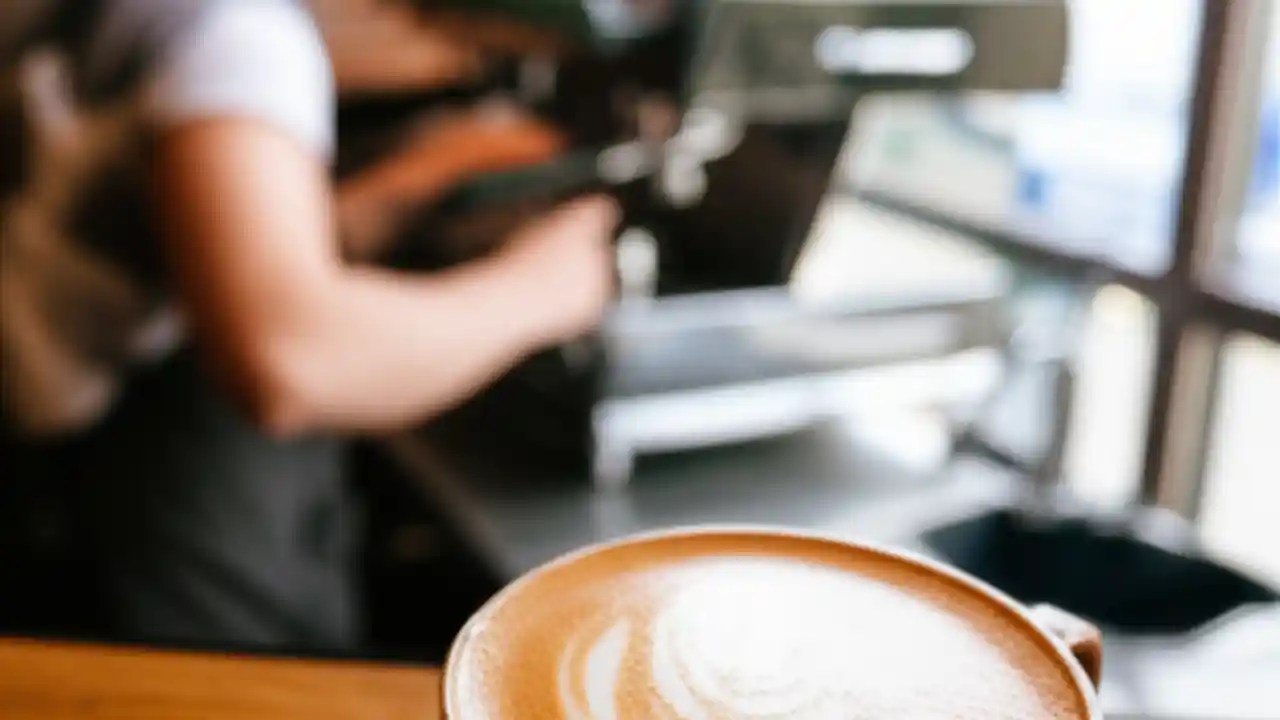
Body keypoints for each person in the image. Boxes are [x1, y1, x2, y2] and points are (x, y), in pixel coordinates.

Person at [0, 0, 616, 650]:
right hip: (143, 454)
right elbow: (291, 359)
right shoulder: (241, 30)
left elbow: (193, 225)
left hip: (70, 442)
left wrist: (403, 189)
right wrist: (545, 287)